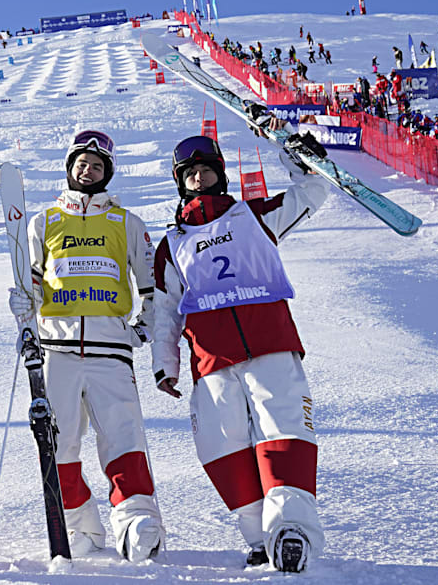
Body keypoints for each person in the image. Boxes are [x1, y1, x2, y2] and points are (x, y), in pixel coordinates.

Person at [151, 133, 328, 573]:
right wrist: (164, 365)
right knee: (221, 446)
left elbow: (312, 193)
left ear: (220, 175)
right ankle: (256, 537)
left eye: (206, 169)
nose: (198, 176)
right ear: (180, 183)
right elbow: (165, 311)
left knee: (282, 433)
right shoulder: (171, 245)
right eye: (190, 173)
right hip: (210, 360)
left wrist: (300, 160)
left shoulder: (254, 215)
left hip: (269, 344)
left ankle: (291, 530)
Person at [7, 130, 163, 561]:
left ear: (107, 173)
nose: (88, 170)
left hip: (110, 351)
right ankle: (82, 528)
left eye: (97, 165)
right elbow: (34, 279)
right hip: (55, 350)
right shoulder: (44, 221)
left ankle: (137, 522)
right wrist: (25, 300)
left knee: (123, 437)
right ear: (70, 166)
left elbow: (151, 286)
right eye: (81, 163)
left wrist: (142, 329)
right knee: (58, 443)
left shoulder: (126, 221)